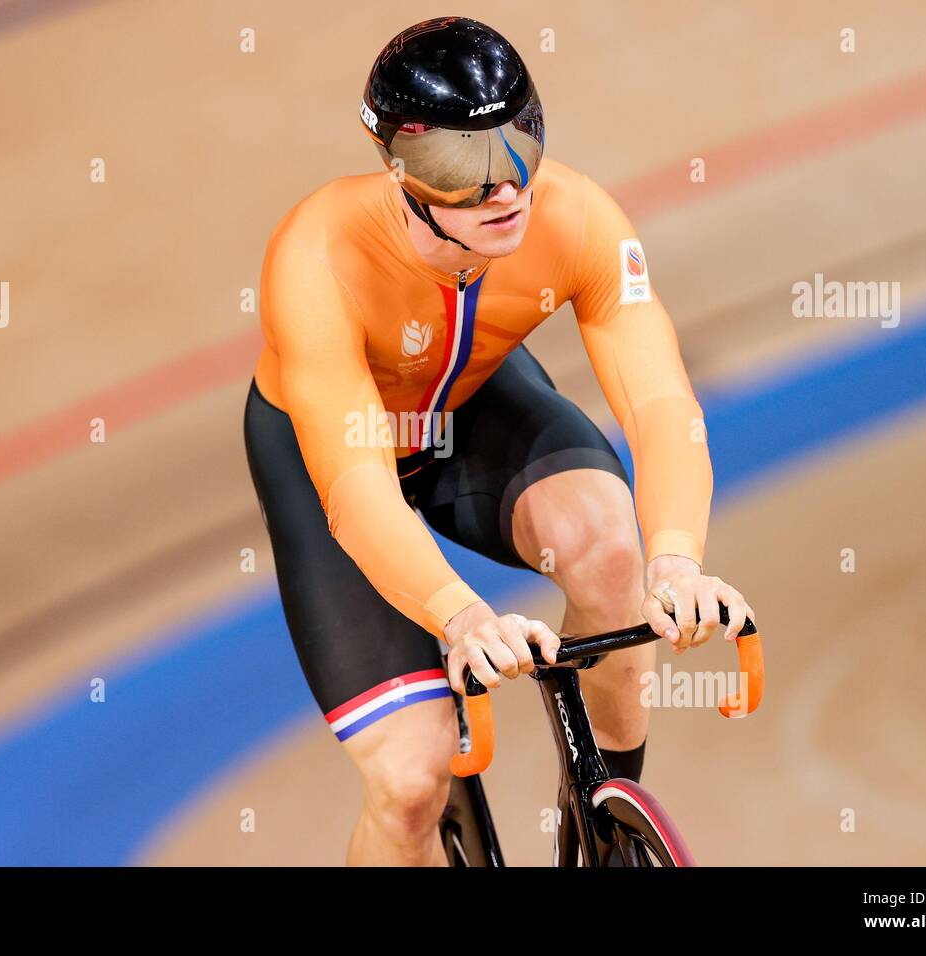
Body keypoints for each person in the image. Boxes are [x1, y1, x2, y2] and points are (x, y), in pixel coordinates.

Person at [244, 16, 754, 866]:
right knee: (411, 783)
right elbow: (361, 489)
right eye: (461, 169)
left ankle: (601, 825)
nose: (505, 188)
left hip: (475, 410)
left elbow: (661, 398)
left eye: (520, 142)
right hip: (333, 457)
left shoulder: (580, 219)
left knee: (613, 555)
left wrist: (676, 557)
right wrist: (462, 617)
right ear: (400, 170)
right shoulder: (317, 254)